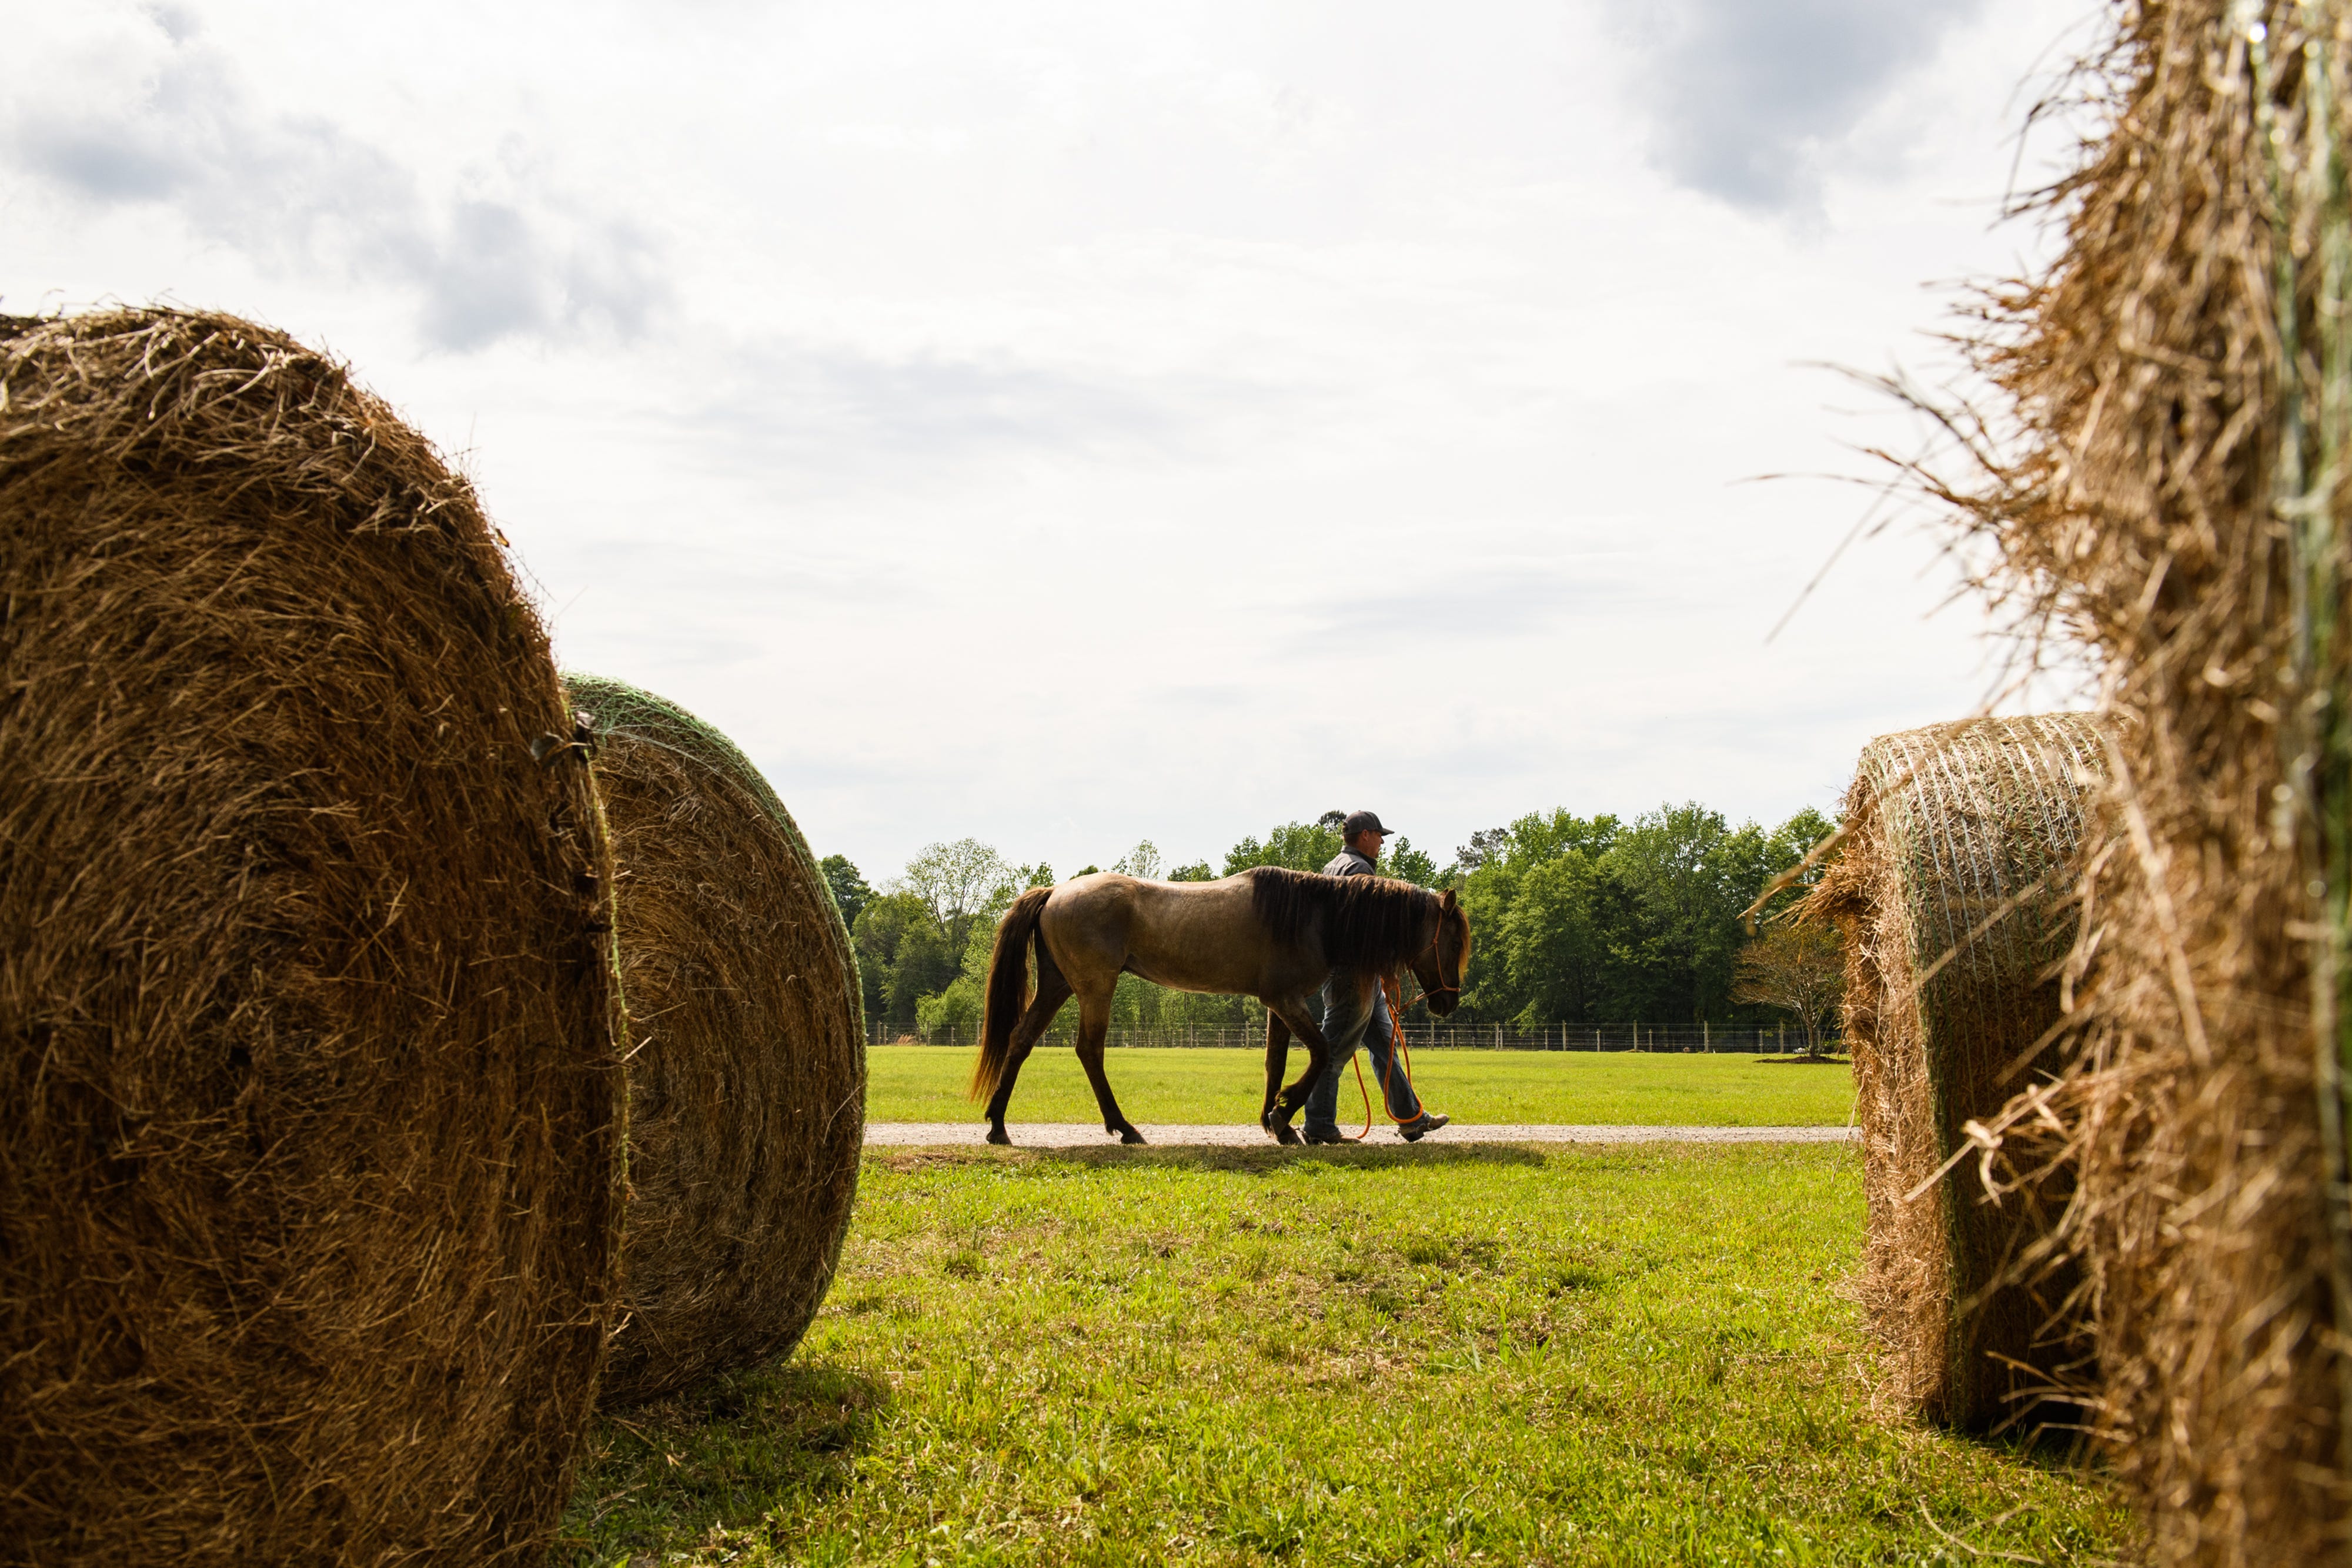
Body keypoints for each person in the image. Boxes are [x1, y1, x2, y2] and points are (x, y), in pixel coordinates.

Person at [1301, 809, 1451, 1144]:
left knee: (1385, 1046)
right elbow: (1363, 933)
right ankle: (1318, 1125)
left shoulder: (1333, 866)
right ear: (1365, 835)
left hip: (1352, 976)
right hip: (1353, 978)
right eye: (1380, 835)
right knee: (1333, 1050)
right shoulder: (1359, 870)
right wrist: (1385, 969)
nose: (1383, 841)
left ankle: (1410, 1117)